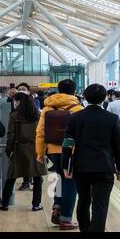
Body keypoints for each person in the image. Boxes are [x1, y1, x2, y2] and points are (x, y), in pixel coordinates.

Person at [62, 83, 120, 232]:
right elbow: (119, 146)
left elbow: (67, 143)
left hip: (81, 166)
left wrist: (66, 164)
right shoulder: (112, 118)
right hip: (104, 167)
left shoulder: (75, 118)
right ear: (105, 98)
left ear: (84, 97)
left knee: (83, 201)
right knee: (101, 205)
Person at [36, 78, 84, 230]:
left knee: (61, 179)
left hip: (52, 151)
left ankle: (57, 205)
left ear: (58, 89)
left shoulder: (47, 108)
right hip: (71, 152)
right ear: (74, 91)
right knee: (71, 183)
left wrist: (40, 153)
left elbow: (40, 132)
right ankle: (65, 219)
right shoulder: (78, 109)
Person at [0, 91, 44, 212]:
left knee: (11, 176)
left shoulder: (14, 116)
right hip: (35, 148)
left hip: (18, 147)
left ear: (19, 102)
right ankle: (36, 204)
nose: (14, 103)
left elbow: (11, 134)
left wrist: (9, 150)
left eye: (15, 100)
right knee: (37, 177)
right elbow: (41, 134)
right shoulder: (37, 115)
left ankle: (5, 204)